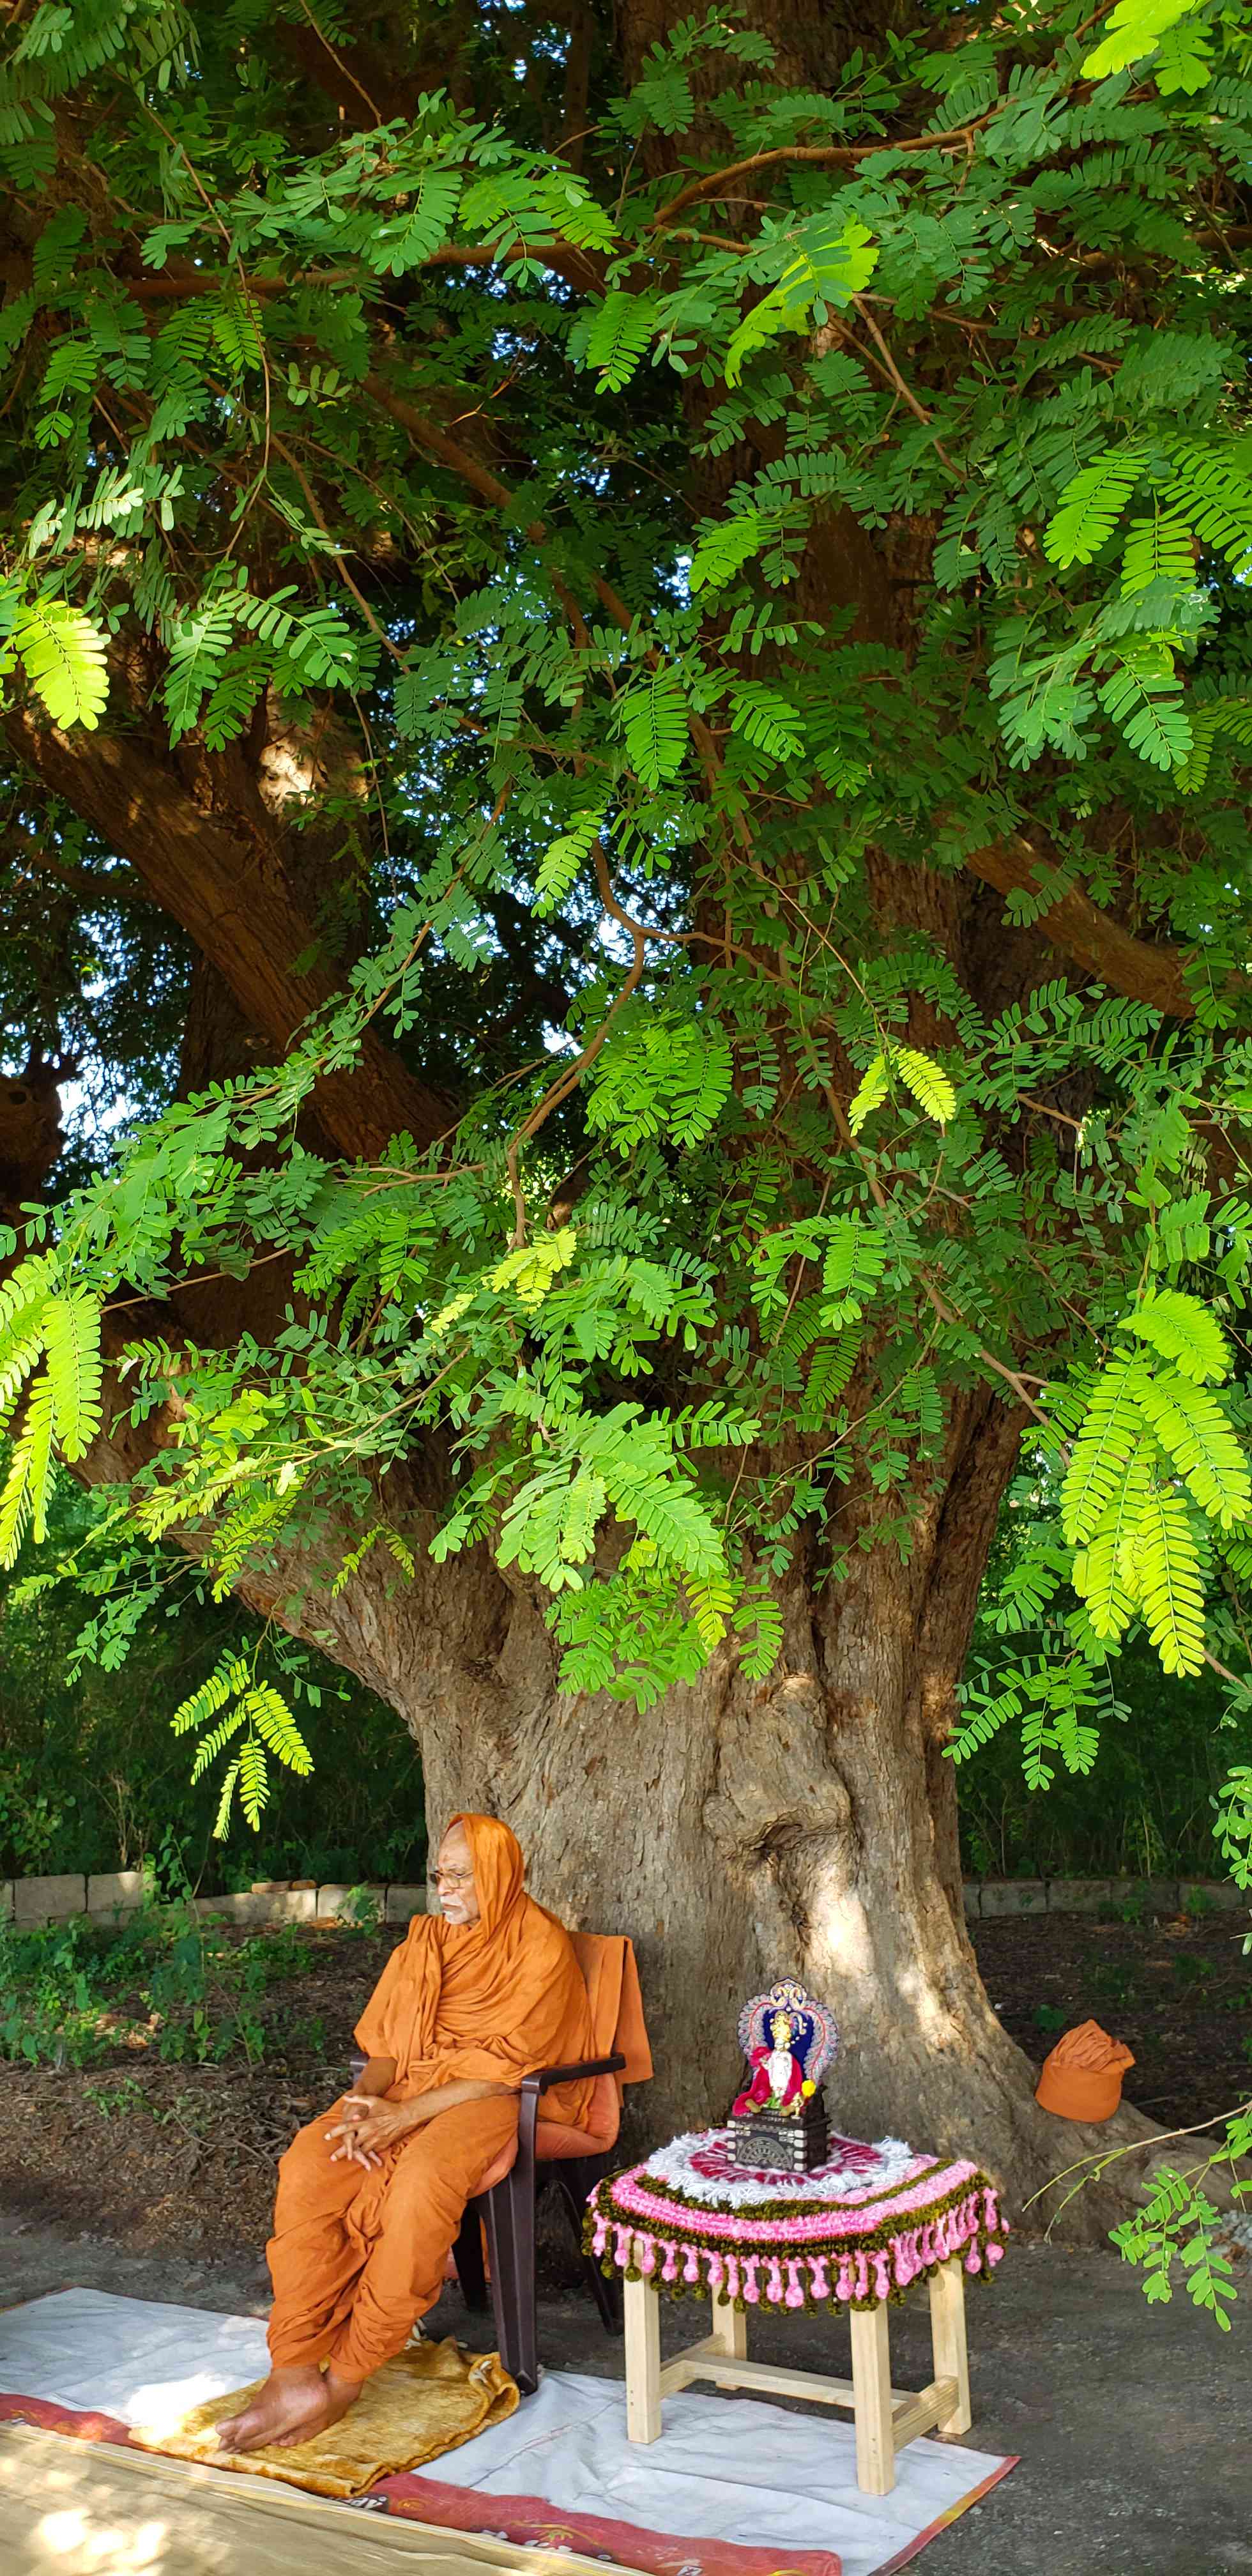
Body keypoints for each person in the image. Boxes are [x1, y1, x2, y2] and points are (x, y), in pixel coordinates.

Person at [217, 1810, 594, 2451]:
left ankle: (350, 2377)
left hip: (487, 2098)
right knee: (313, 2160)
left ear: (498, 1876)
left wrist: (405, 2118)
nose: (443, 1889)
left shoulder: (541, 1946)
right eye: (438, 1874)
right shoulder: (424, 1943)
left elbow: (507, 2070)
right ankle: (296, 2369)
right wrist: (365, 2100)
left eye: (459, 1877)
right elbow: (387, 2047)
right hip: (405, 2090)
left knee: (419, 2181)